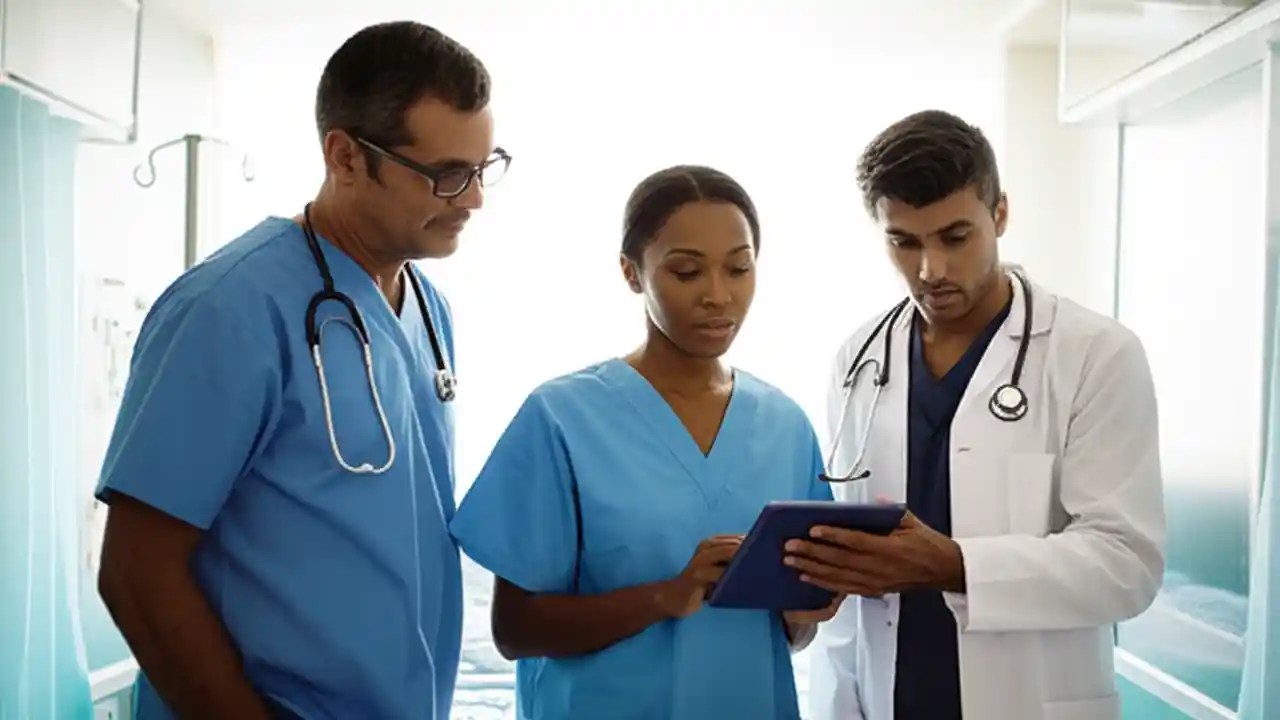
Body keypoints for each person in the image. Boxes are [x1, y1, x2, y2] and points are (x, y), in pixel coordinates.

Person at [94, 22, 510, 720]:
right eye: (445, 175)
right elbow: (137, 574)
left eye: (483, 166)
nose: (473, 199)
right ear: (345, 156)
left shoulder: (428, 309)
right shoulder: (228, 310)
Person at [791, 110, 1166, 720]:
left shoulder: (1093, 353)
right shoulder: (859, 358)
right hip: (882, 697)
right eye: (903, 242)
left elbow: (1128, 564)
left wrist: (954, 565)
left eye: (954, 237)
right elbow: (853, 571)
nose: (930, 269)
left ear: (1000, 214)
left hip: (1029, 699)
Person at [449, 165, 842, 719]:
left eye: (739, 268)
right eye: (686, 272)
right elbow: (515, 632)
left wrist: (808, 608)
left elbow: (788, 636)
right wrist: (665, 596)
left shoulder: (786, 426)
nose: (718, 295)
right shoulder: (562, 418)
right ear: (632, 273)